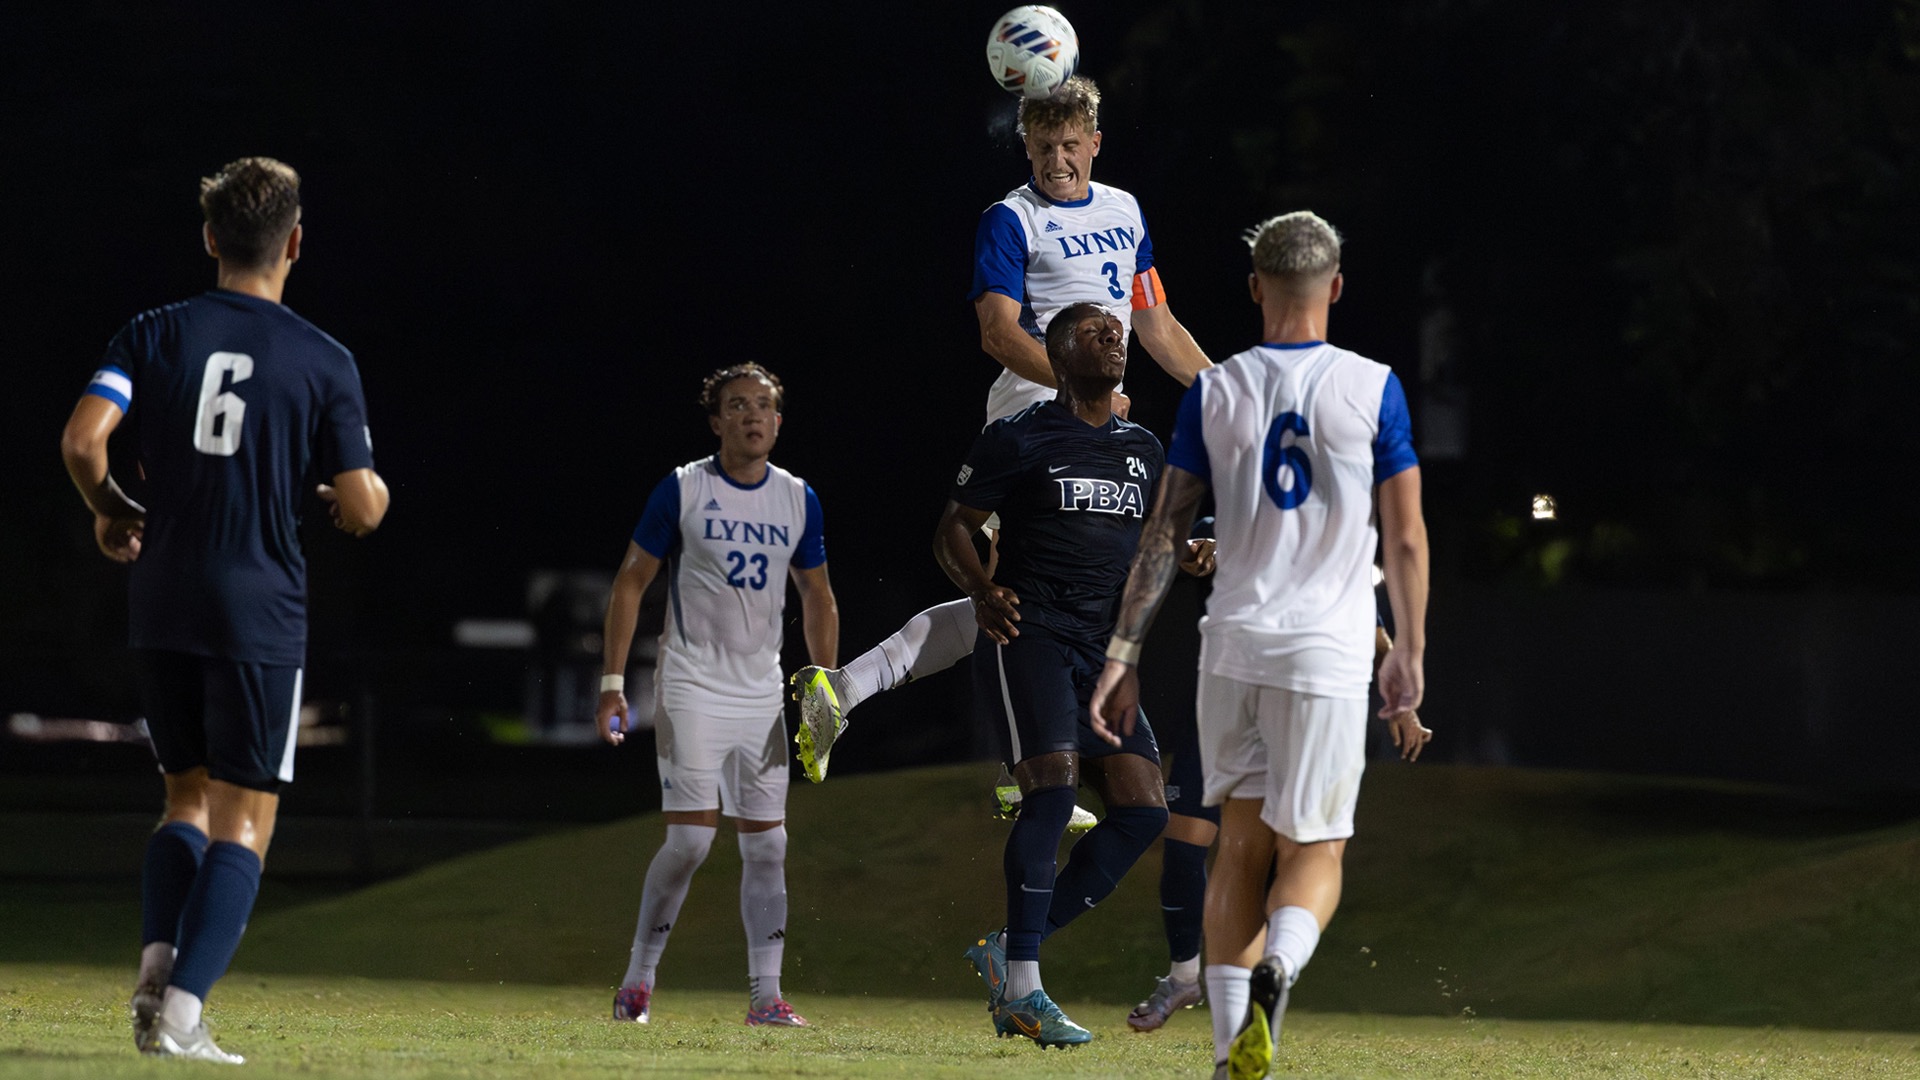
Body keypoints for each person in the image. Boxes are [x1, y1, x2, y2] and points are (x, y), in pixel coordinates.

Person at [792, 74, 1211, 789]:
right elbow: (996, 332)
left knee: (1029, 598)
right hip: (1035, 412)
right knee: (1035, 598)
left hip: (1093, 416)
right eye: (1044, 147)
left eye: (1072, 147)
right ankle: (1025, 770)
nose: (1058, 162)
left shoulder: (1125, 210)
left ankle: (848, 694)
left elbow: (1156, 325)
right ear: (1025, 145)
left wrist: (1228, 393)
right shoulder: (1009, 218)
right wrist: (1082, 388)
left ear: (1096, 144)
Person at [60, 157, 390, 1064]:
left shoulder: (155, 331)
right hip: (257, 604)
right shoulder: (324, 359)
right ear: (293, 243)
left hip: (161, 590)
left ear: (210, 239)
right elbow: (361, 508)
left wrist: (113, 512)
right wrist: (362, 495)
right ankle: (182, 1013)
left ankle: (155, 970)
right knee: (247, 818)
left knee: (183, 798)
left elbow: (84, 440)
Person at [1089, 211, 1432, 1080]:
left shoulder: (1217, 391)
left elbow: (1165, 531)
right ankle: (1280, 966)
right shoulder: (1373, 387)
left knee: (1236, 842)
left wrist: (1123, 653)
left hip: (1233, 644)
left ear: (1254, 290)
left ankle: (1226, 1052)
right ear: (1337, 287)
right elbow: (1407, 542)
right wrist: (1410, 655)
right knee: (1314, 851)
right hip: (1326, 649)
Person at [936, 302, 1214, 1047]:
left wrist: (1192, 551)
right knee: (1053, 793)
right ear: (1058, 360)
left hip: (1102, 650)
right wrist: (981, 590)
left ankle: (1009, 949)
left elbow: (1165, 535)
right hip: (1030, 634)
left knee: (1143, 809)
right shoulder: (1019, 438)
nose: (1114, 339)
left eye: (1117, 332)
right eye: (1094, 333)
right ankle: (1024, 989)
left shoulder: (1144, 446)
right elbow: (952, 530)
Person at [595, 363, 838, 1028]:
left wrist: (825, 687)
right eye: (738, 406)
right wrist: (613, 685)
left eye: (764, 406)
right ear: (716, 422)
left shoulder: (797, 498)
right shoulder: (684, 489)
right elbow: (629, 582)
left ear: (778, 422)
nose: (753, 416)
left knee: (768, 847)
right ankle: (637, 984)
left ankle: (766, 997)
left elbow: (816, 593)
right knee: (691, 844)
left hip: (761, 694)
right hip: (691, 685)